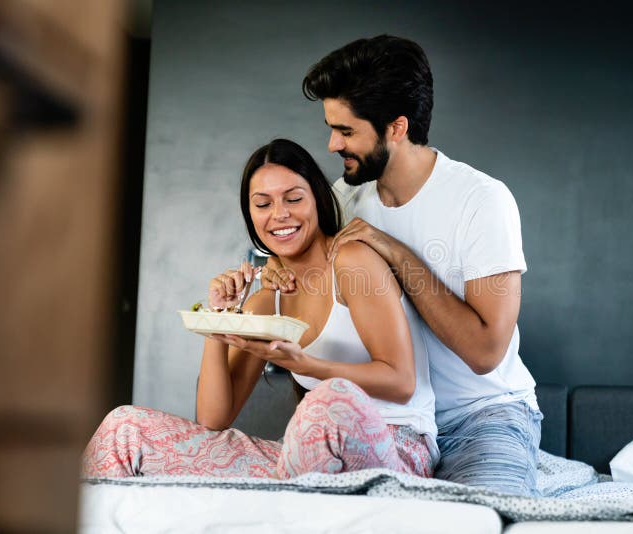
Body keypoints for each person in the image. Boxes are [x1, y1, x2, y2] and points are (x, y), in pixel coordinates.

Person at [263, 35, 543, 495]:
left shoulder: (481, 200)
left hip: (481, 416)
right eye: (331, 127)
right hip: (389, 423)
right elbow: (304, 290)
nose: (332, 144)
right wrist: (278, 274)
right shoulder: (343, 199)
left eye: (347, 131)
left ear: (396, 127)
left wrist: (394, 251)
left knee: (474, 521)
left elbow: (485, 352)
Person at [82, 138, 438, 479]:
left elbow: (402, 381)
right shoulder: (267, 299)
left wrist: (307, 365)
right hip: (304, 454)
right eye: (263, 204)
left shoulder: (352, 261)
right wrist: (219, 318)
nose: (279, 215)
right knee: (123, 427)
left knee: (325, 402)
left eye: (293, 198)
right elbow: (212, 419)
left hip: (396, 447)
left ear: (317, 198)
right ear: (250, 213)